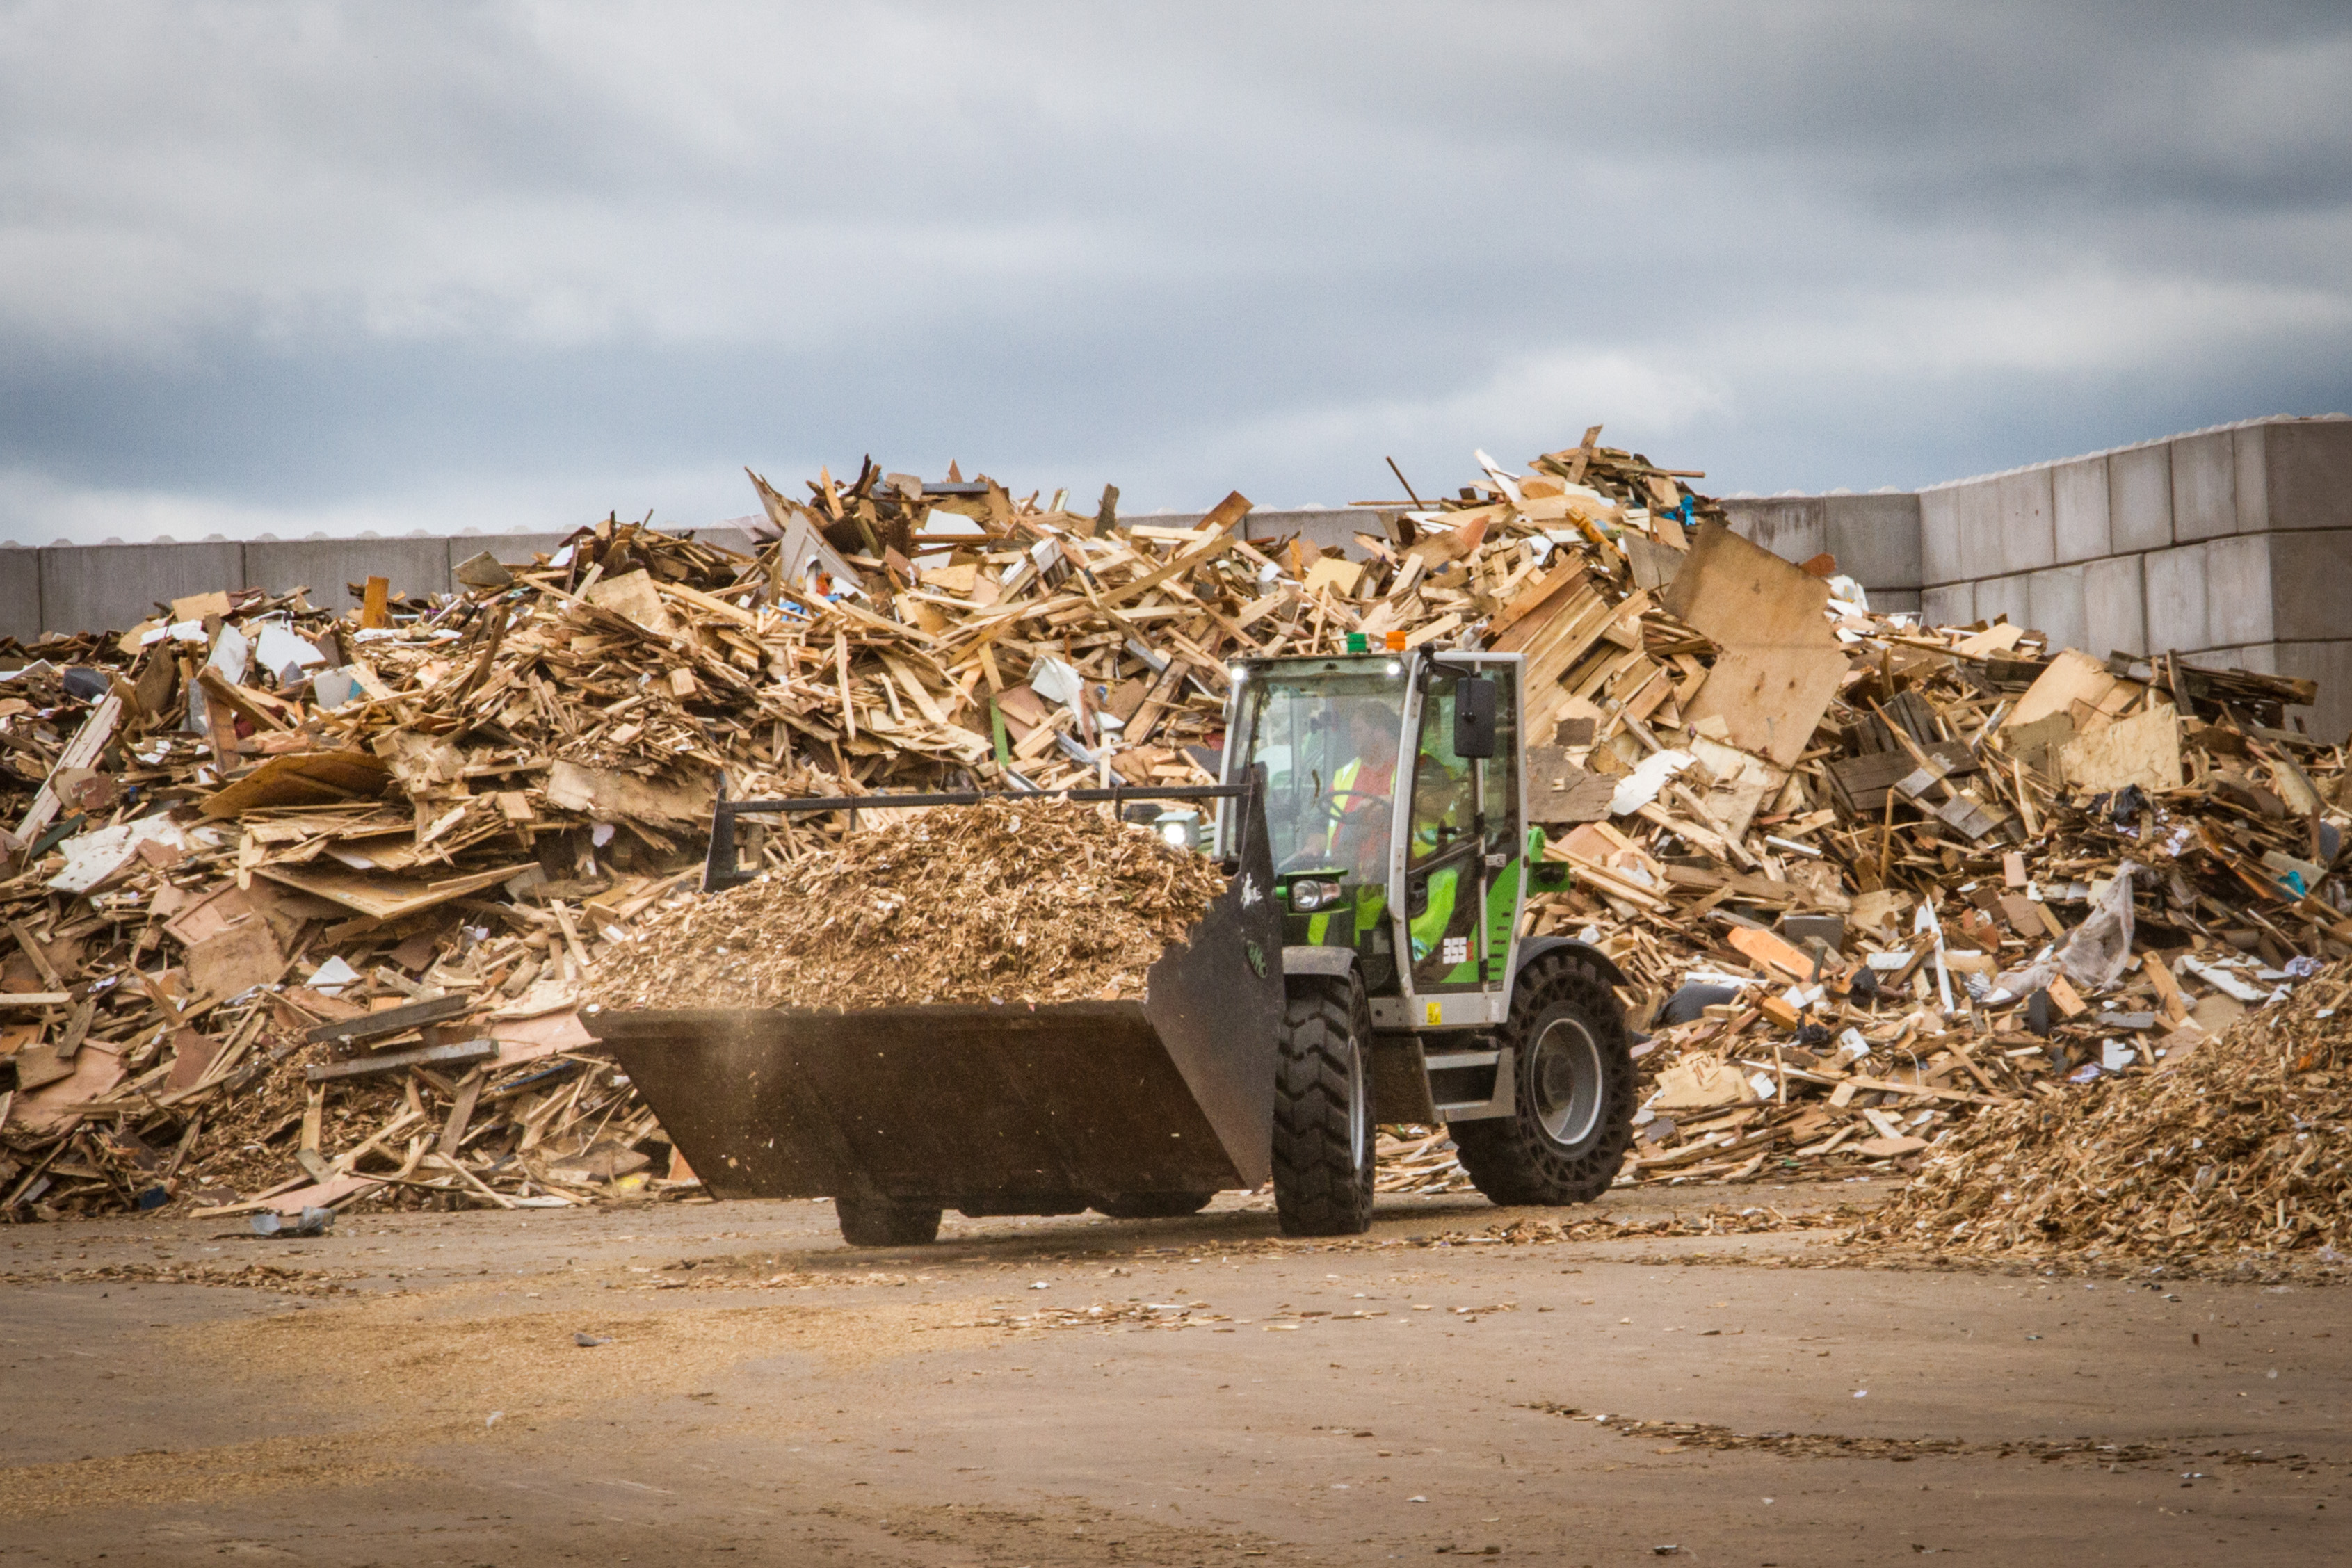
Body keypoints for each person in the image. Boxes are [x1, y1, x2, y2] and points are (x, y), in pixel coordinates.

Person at [1324, 701, 1401, 880]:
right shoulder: (1344, 774)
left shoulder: (1418, 765)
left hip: (1404, 881)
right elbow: (1323, 821)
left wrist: (1392, 802)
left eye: (1357, 730)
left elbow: (1434, 802)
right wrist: (1312, 846)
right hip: (1348, 884)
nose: (1352, 736)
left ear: (1381, 731)